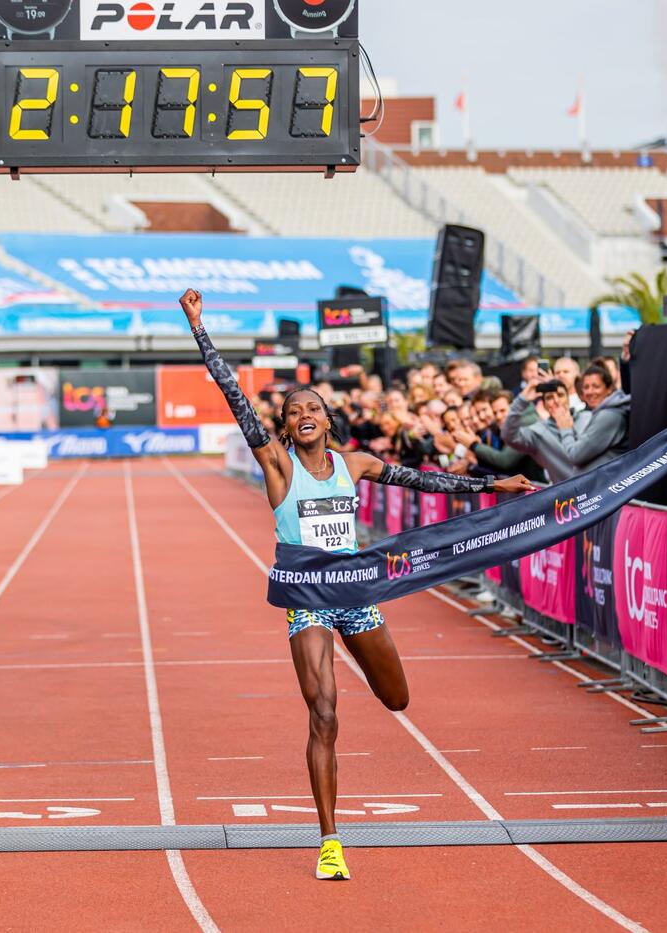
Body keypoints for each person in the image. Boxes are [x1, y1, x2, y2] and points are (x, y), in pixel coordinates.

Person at [180, 289, 531, 880]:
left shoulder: (357, 464)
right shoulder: (277, 465)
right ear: (286, 426)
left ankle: (360, 672)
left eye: (311, 405)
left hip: (355, 594)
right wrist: (200, 330)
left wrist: (492, 487)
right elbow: (235, 396)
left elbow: (424, 481)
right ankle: (329, 840)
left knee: (397, 699)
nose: (303, 413)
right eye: (293, 410)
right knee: (324, 713)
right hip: (307, 599)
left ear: (327, 417)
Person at [503, 364, 630, 482]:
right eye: (549, 398)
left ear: (568, 398)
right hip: (567, 499)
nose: (556, 401)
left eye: (560, 395)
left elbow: (580, 454)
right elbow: (508, 436)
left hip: (598, 491)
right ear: (544, 404)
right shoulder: (537, 432)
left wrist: (566, 428)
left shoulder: (588, 416)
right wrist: (522, 399)